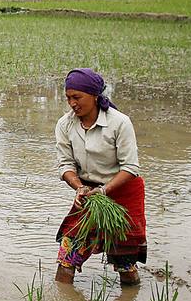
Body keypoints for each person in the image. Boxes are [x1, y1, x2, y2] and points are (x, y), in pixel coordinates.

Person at [53, 68, 147, 286]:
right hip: (88, 194)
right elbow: (65, 164)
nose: (72, 103)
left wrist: (105, 190)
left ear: (95, 95)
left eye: (77, 97)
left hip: (123, 192)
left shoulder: (119, 123)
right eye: (68, 98)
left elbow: (131, 166)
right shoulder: (65, 124)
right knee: (68, 254)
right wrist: (79, 187)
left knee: (125, 262)